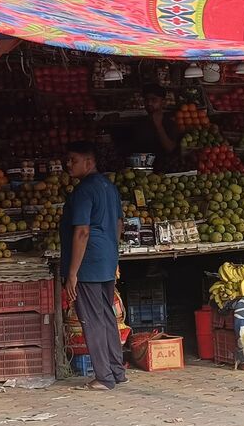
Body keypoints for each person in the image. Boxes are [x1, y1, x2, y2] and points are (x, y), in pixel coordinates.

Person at [60, 142, 126, 391]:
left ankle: (104, 377)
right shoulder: (109, 187)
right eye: (68, 160)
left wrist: (72, 273)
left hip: (88, 263)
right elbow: (118, 224)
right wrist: (112, 255)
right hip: (106, 259)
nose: (68, 164)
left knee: (91, 319)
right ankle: (117, 371)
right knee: (107, 316)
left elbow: (82, 232)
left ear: (89, 162)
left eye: (73, 160)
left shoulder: (84, 191)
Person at [127, 86, 181, 168]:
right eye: (146, 100)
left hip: (164, 168)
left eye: (154, 100)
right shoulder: (140, 123)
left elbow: (170, 148)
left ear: (163, 102)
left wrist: (158, 125)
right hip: (143, 168)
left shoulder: (170, 123)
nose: (149, 103)